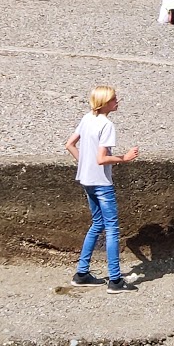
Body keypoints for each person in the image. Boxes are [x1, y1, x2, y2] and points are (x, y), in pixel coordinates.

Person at [64, 85, 140, 292]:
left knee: (97, 224)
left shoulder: (87, 119)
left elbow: (70, 144)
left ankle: (82, 273)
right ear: (104, 103)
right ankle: (115, 280)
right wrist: (124, 158)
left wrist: (83, 164)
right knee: (112, 229)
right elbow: (102, 158)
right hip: (101, 184)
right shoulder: (106, 125)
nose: (117, 101)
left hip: (86, 180)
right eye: (114, 99)